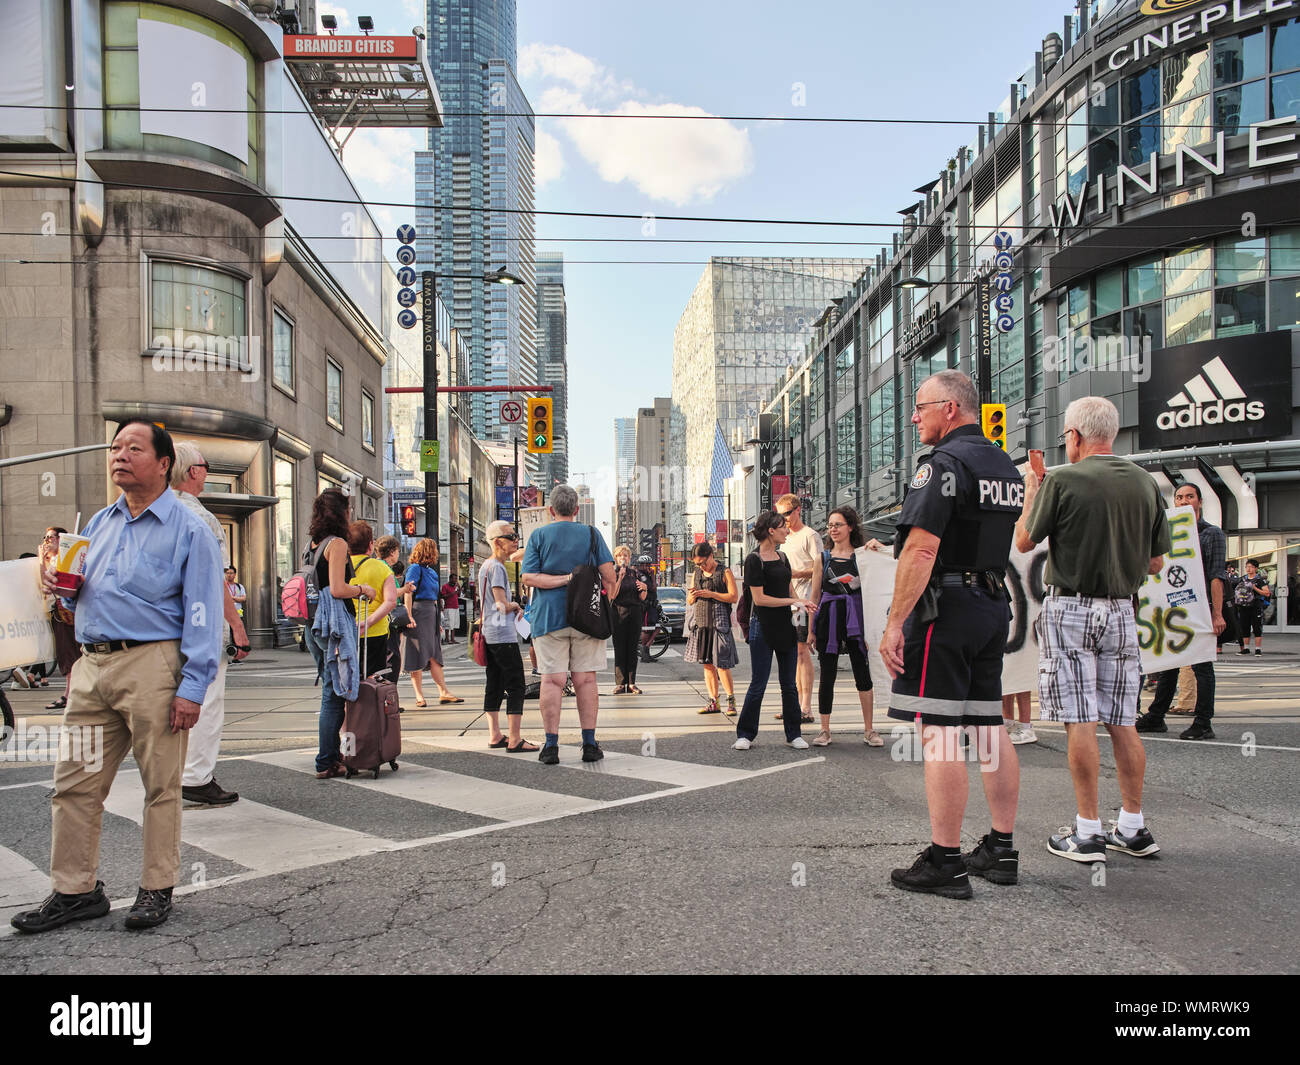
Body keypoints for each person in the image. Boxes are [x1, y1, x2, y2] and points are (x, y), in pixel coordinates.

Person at [11, 420, 223, 934]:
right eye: (115, 447)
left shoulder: (189, 527)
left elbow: (202, 611)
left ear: (164, 463)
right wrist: (59, 587)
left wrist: (192, 686)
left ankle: (156, 887)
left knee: (161, 785)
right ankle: (75, 890)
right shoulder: (100, 525)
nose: (120, 455)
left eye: (134, 448)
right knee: (74, 785)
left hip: (152, 667)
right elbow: (77, 596)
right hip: (91, 670)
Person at [881, 370, 1022, 900]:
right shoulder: (1003, 465)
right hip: (991, 602)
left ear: (951, 408)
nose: (914, 417)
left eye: (921, 407)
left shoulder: (941, 465)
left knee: (940, 729)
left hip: (948, 607)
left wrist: (896, 622)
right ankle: (1001, 849)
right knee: (989, 726)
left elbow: (920, 549)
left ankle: (945, 861)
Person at [1017, 396, 1170, 864]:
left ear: (1075, 436)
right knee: (1122, 720)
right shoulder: (1145, 483)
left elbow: (1024, 540)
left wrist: (1031, 489)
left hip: (1072, 608)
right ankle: (1132, 825)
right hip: (1123, 609)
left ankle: (1086, 831)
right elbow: (1157, 561)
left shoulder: (1061, 479)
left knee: (1080, 718)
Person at [172, 442, 249, 806]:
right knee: (207, 701)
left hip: (164, 630)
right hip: (201, 628)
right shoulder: (201, 519)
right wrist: (237, 625)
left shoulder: (157, 510)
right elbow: (215, 581)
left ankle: (172, 771)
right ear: (194, 472)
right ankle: (197, 776)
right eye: (205, 464)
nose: (207, 470)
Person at [520, 484, 616, 765]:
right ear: (577, 509)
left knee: (552, 680)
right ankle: (589, 744)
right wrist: (601, 598)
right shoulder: (591, 534)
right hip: (586, 617)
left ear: (551, 510)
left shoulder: (539, 535)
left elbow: (528, 578)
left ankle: (551, 746)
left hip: (548, 616)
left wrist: (561, 580)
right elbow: (609, 576)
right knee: (585, 680)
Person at [1136, 482, 1226, 741]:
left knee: (1201, 666)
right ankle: (1156, 716)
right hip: (1171, 608)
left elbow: (1217, 576)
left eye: (1190, 496)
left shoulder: (1211, 534)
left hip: (1200, 607)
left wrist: (1217, 613)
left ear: (1199, 501)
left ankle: (1203, 721)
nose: (1184, 501)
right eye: (1179, 497)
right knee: (1168, 665)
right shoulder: (1169, 530)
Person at [305, 489, 375, 778]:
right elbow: (336, 588)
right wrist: (362, 590)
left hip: (314, 623)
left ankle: (329, 756)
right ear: (342, 512)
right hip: (332, 623)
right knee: (334, 694)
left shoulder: (313, 544)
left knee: (329, 690)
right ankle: (326, 760)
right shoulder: (338, 544)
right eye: (348, 509)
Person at [734, 509, 817, 751]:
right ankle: (745, 734)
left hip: (785, 626)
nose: (787, 530)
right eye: (783, 526)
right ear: (771, 530)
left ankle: (794, 734)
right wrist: (793, 602)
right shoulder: (754, 560)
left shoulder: (782, 558)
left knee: (789, 684)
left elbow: (788, 588)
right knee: (758, 683)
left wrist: (801, 601)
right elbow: (759, 600)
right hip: (762, 626)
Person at [809, 506, 882, 747]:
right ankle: (824, 730)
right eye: (830, 525)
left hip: (857, 618)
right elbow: (815, 595)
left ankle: (870, 730)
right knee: (827, 673)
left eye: (838, 524)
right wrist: (810, 630)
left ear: (850, 526)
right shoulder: (823, 558)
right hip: (828, 618)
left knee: (862, 672)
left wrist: (877, 548)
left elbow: (877, 586)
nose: (833, 529)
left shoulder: (863, 556)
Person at [479, 520, 538, 752]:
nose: (515, 540)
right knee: (516, 685)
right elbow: (501, 605)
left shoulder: (486, 566)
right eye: (510, 536)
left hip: (489, 632)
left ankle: (495, 735)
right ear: (497, 542)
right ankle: (514, 739)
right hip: (502, 634)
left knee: (493, 683)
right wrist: (516, 606)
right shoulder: (497, 568)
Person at [775, 493, 820, 725]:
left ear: (798, 510)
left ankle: (806, 707)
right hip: (785, 604)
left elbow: (820, 569)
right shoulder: (783, 538)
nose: (784, 519)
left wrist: (796, 573)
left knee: (802, 652)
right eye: (780, 515)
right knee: (791, 654)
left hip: (803, 601)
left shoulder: (810, 535)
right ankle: (793, 704)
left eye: (786, 514)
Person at [402, 539, 462, 706]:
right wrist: (408, 616)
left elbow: (435, 597)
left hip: (430, 612)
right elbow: (408, 592)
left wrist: (438, 619)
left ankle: (443, 692)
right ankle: (420, 696)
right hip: (419, 611)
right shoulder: (415, 569)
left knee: (435, 655)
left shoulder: (431, 572)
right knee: (417, 652)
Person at [684, 542, 739, 716]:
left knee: (722, 664)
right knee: (707, 664)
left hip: (719, 622)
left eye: (702, 562)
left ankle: (731, 701)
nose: (700, 566)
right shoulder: (697, 573)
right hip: (702, 623)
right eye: (697, 564)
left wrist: (712, 594)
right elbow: (690, 601)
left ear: (710, 555)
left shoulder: (725, 572)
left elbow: (733, 597)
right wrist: (693, 596)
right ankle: (713, 701)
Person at [348, 521, 398, 678]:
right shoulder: (381, 567)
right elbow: (391, 601)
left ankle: (349, 703)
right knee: (373, 678)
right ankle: (371, 703)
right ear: (370, 545)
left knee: (348, 676)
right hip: (375, 630)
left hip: (347, 628)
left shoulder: (340, 566)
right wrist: (368, 622)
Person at [39, 526, 81, 711]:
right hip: (58, 610)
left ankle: (70, 694)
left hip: (65, 611)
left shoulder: (62, 560)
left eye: (50, 538)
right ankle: (70, 692)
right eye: (45, 538)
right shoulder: (53, 560)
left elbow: (49, 582)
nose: (47, 542)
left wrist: (42, 560)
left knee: (69, 652)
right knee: (66, 652)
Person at [610, 545, 649, 694]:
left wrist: (645, 588)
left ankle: (632, 683)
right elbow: (613, 594)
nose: (623, 558)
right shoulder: (612, 573)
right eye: (620, 556)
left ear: (629, 558)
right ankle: (620, 683)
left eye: (625, 556)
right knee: (619, 648)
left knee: (632, 648)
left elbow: (641, 597)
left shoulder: (635, 574)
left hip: (635, 612)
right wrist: (620, 577)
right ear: (616, 558)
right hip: (618, 612)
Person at [375, 536, 407, 685]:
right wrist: (406, 589)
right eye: (398, 551)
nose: (398, 554)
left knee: (388, 658)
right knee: (393, 658)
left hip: (380, 619)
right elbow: (391, 593)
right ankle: (388, 696)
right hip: (386, 620)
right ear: (392, 552)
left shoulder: (376, 564)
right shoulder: (384, 568)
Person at [1233, 559, 1270, 657]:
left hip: (1256, 605)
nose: (1248, 569)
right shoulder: (1242, 579)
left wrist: (1255, 588)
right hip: (1243, 605)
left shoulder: (1260, 580)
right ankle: (1246, 648)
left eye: (1251, 567)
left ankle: (1258, 649)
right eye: (1247, 567)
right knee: (1244, 626)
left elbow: (1267, 593)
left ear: (1256, 568)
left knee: (1257, 627)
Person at [440, 575, 461, 644]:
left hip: (456, 607)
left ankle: (452, 638)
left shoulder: (455, 586)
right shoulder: (445, 586)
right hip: (449, 607)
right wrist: (453, 593)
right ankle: (447, 638)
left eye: (456, 578)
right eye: (454, 578)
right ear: (450, 579)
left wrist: (459, 588)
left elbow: (459, 595)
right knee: (448, 623)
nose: (455, 580)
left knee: (454, 623)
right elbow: (443, 596)